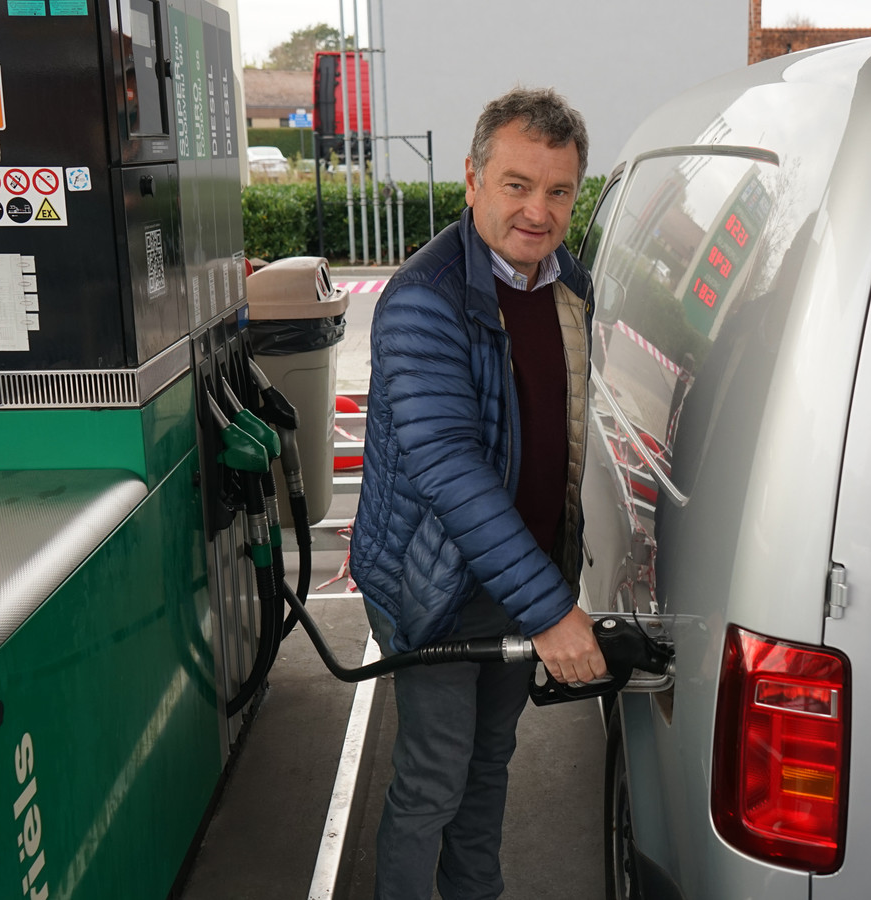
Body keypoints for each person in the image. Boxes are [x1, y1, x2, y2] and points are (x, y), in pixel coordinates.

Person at [349, 87, 608, 900]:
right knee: (431, 779)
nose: (537, 210)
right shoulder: (426, 300)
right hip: (433, 589)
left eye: (558, 190)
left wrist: (544, 587)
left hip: (518, 577)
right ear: (471, 180)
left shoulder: (568, 286)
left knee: (488, 765)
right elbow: (449, 468)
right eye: (516, 184)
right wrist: (553, 611)